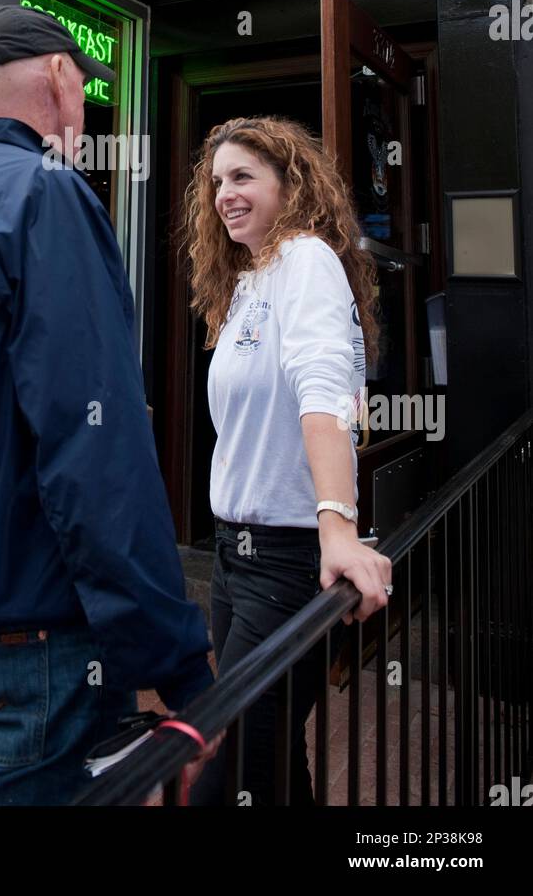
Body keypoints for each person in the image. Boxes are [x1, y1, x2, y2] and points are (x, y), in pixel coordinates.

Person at [0, 5, 215, 807]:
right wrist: (175, 660)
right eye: (83, 86)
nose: (84, 108)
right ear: (61, 78)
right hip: (31, 637)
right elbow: (94, 447)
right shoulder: (47, 193)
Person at [184, 116, 393, 806]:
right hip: (233, 560)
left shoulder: (305, 259)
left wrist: (337, 525)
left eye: (243, 177)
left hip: (287, 557)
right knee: (269, 758)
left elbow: (326, 394)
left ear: (290, 185)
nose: (225, 195)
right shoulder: (248, 280)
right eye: (217, 182)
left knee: (228, 765)